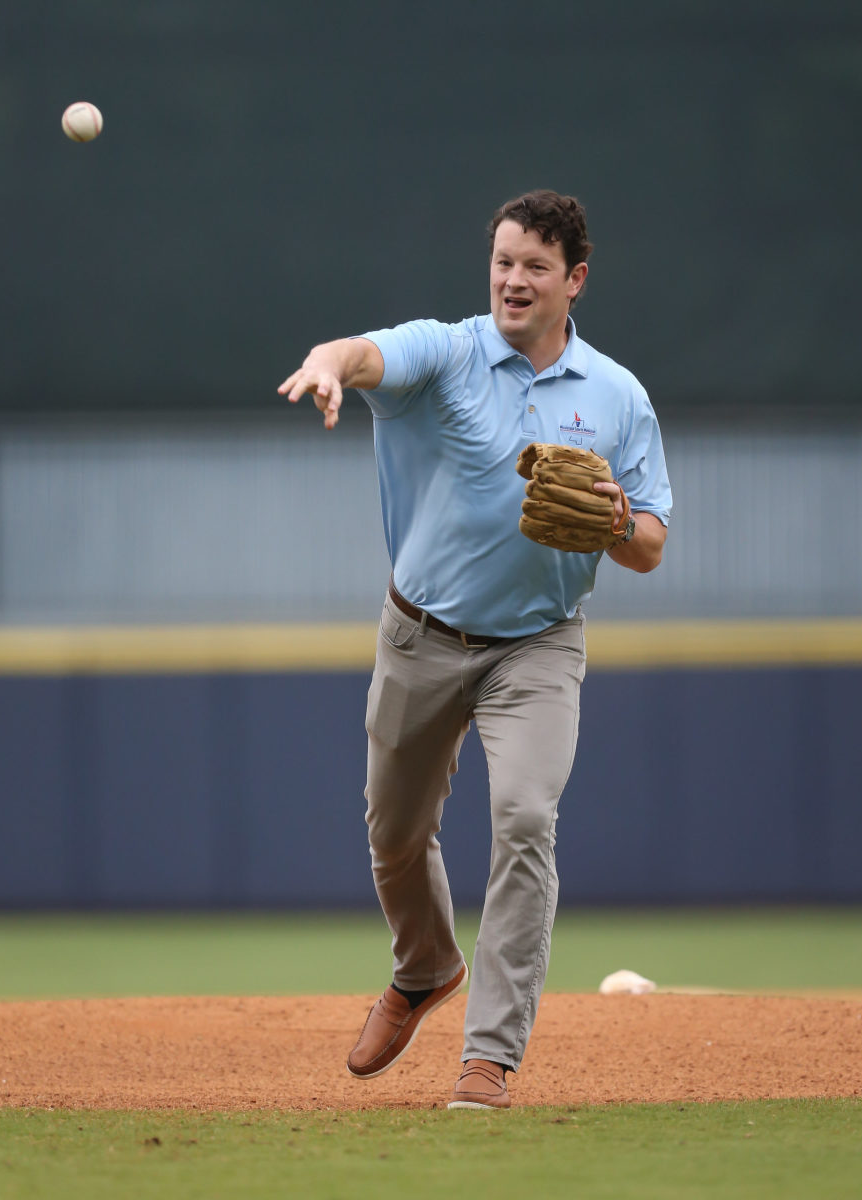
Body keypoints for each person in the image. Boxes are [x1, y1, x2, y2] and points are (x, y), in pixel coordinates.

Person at [277, 190, 672, 1110]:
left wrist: (613, 516)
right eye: (502, 261)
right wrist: (326, 365)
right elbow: (366, 353)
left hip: (535, 649)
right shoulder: (450, 353)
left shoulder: (616, 396)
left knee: (527, 821)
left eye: (535, 265)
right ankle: (423, 968)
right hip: (420, 635)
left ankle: (488, 1057)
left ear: (574, 280)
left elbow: (650, 544)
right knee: (394, 832)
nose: (513, 279)